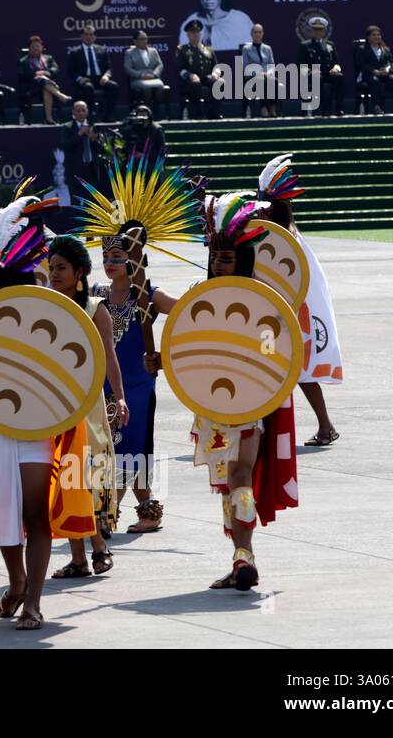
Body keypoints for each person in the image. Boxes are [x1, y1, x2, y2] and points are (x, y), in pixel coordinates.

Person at [0, 182, 118, 630]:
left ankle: (33, 600)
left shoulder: (50, 309)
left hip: (38, 429)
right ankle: (16, 583)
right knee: (3, 515)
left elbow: (78, 374)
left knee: (35, 513)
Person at [74, 153, 205, 534]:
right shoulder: (95, 295)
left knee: (132, 447)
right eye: (106, 257)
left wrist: (165, 357)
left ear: (135, 257)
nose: (111, 263)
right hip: (103, 385)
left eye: (118, 256)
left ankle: (108, 514)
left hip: (139, 385)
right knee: (109, 447)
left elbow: (188, 316)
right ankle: (146, 509)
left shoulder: (149, 294)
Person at [194, 192, 299, 591]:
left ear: (243, 259)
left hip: (250, 398)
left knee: (240, 474)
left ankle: (244, 556)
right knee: (228, 480)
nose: (218, 265)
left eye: (226, 258)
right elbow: (186, 345)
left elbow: (272, 352)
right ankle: (240, 556)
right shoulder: (200, 297)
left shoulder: (262, 301)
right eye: (215, 258)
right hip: (210, 400)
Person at [44, 235, 129, 580]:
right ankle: (79, 558)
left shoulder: (96, 308)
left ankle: (99, 548)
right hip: (52, 404)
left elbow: (109, 356)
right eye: (51, 268)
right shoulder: (44, 306)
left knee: (87, 475)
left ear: (79, 271)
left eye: (61, 268)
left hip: (88, 405)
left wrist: (120, 396)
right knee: (65, 478)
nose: (54, 274)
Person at [254, 154, 343, 447]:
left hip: (291, 312)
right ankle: (320, 425)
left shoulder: (281, 235)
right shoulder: (281, 231)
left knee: (293, 371)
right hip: (285, 310)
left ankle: (323, 426)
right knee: (285, 371)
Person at [16, 34, 71, 125]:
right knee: (41, 79)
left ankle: (49, 119)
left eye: (37, 46)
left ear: (42, 47)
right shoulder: (23, 61)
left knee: (46, 88)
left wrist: (45, 73)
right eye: (33, 46)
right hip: (32, 88)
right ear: (29, 48)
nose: (35, 48)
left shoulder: (48, 58)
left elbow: (56, 69)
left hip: (47, 87)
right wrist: (36, 74)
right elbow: (22, 75)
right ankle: (60, 96)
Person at [68, 25, 119, 121]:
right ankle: (92, 114)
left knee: (114, 86)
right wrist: (80, 79)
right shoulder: (75, 51)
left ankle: (108, 115)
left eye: (91, 34)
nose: (88, 37)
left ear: (95, 37)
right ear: (82, 36)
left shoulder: (102, 49)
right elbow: (71, 71)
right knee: (88, 88)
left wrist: (106, 76)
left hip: (100, 79)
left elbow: (109, 68)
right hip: (85, 80)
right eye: (86, 34)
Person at [297, 17, 346, 117]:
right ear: (311, 31)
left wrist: (336, 69)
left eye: (320, 30)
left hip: (328, 74)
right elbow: (300, 66)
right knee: (323, 85)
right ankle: (324, 111)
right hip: (313, 76)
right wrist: (311, 72)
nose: (318, 32)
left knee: (340, 77)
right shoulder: (305, 45)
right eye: (315, 29)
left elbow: (337, 63)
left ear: (324, 31)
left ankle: (339, 109)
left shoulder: (330, 45)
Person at [178, 18, 223, 119]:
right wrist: (190, 75)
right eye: (192, 32)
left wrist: (215, 74)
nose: (195, 35)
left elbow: (216, 66)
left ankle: (216, 113)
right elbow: (180, 69)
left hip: (206, 77)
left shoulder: (208, 49)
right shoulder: (182, 49)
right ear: (188, 35)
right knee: (196, 84)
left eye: (197, 32)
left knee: (219, 82)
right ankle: (200, 114)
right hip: (191, 81)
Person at [60, 100, 102, 203]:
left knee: (93, 203)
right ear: (73, 112)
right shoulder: (67, 127)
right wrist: (79, 134)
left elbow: (102, 149)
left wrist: (93, 140)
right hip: (75, 171)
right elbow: (65, 146)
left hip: (91, 171)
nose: (81, 113)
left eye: (83, 110)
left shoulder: (94, 126)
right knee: (76, 203)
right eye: (78, 111)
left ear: (87, 112)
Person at [356, 25, 393, 116]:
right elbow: (361, 64)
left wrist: (388, 70)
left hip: (384, 74)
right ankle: (377, 106)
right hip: (369, 75)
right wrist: (374, 71)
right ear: (368, 37)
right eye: (374, 35)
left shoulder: (385, 49)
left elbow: (392, 63)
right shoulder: (362, 49)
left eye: (378, 35)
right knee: (375, 81)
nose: (377, 37)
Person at [124, 30, 170, 119]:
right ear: (135, 41)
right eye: (141, 39)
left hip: (153, 77)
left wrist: (155, 74)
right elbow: (128, 68)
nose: (144, 41)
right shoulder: (129, 52)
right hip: (138, 79)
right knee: (147, 89)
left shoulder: (153, 51)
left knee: (160, 87)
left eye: (145, 38)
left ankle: (155, 112)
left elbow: (160, 64)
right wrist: (141, 75)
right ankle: (147, 112)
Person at [241, 24, 281, 118]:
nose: (257, 34)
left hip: (267, 76)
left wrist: (268, 73)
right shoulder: (246, 49)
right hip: (252, 77)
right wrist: (258, 73)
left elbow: (272, 65)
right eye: (255, 32)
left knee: (274, 80)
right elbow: (246, 67)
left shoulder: (268, 48)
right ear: (251, 34)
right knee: (260, 80)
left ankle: (272, 107)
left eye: (260, 32)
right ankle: (263, 107)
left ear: (262, 34)